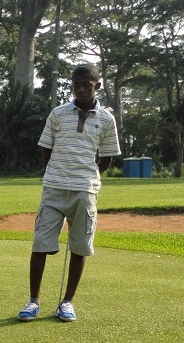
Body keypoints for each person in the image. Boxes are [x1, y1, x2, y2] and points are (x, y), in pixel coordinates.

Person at [17, 63, 120, 323]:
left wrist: (86, 176)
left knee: (79, 247)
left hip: (84, 190)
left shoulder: (107, 119)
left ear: (97, 85)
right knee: (41, 243)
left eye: (87, 84)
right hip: (53, 187)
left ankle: (67, 302)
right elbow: (46, 149)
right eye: (76, 85)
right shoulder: (58, 114)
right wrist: (58, 174)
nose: (81, 89)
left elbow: (106, 158)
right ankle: (33, 301)